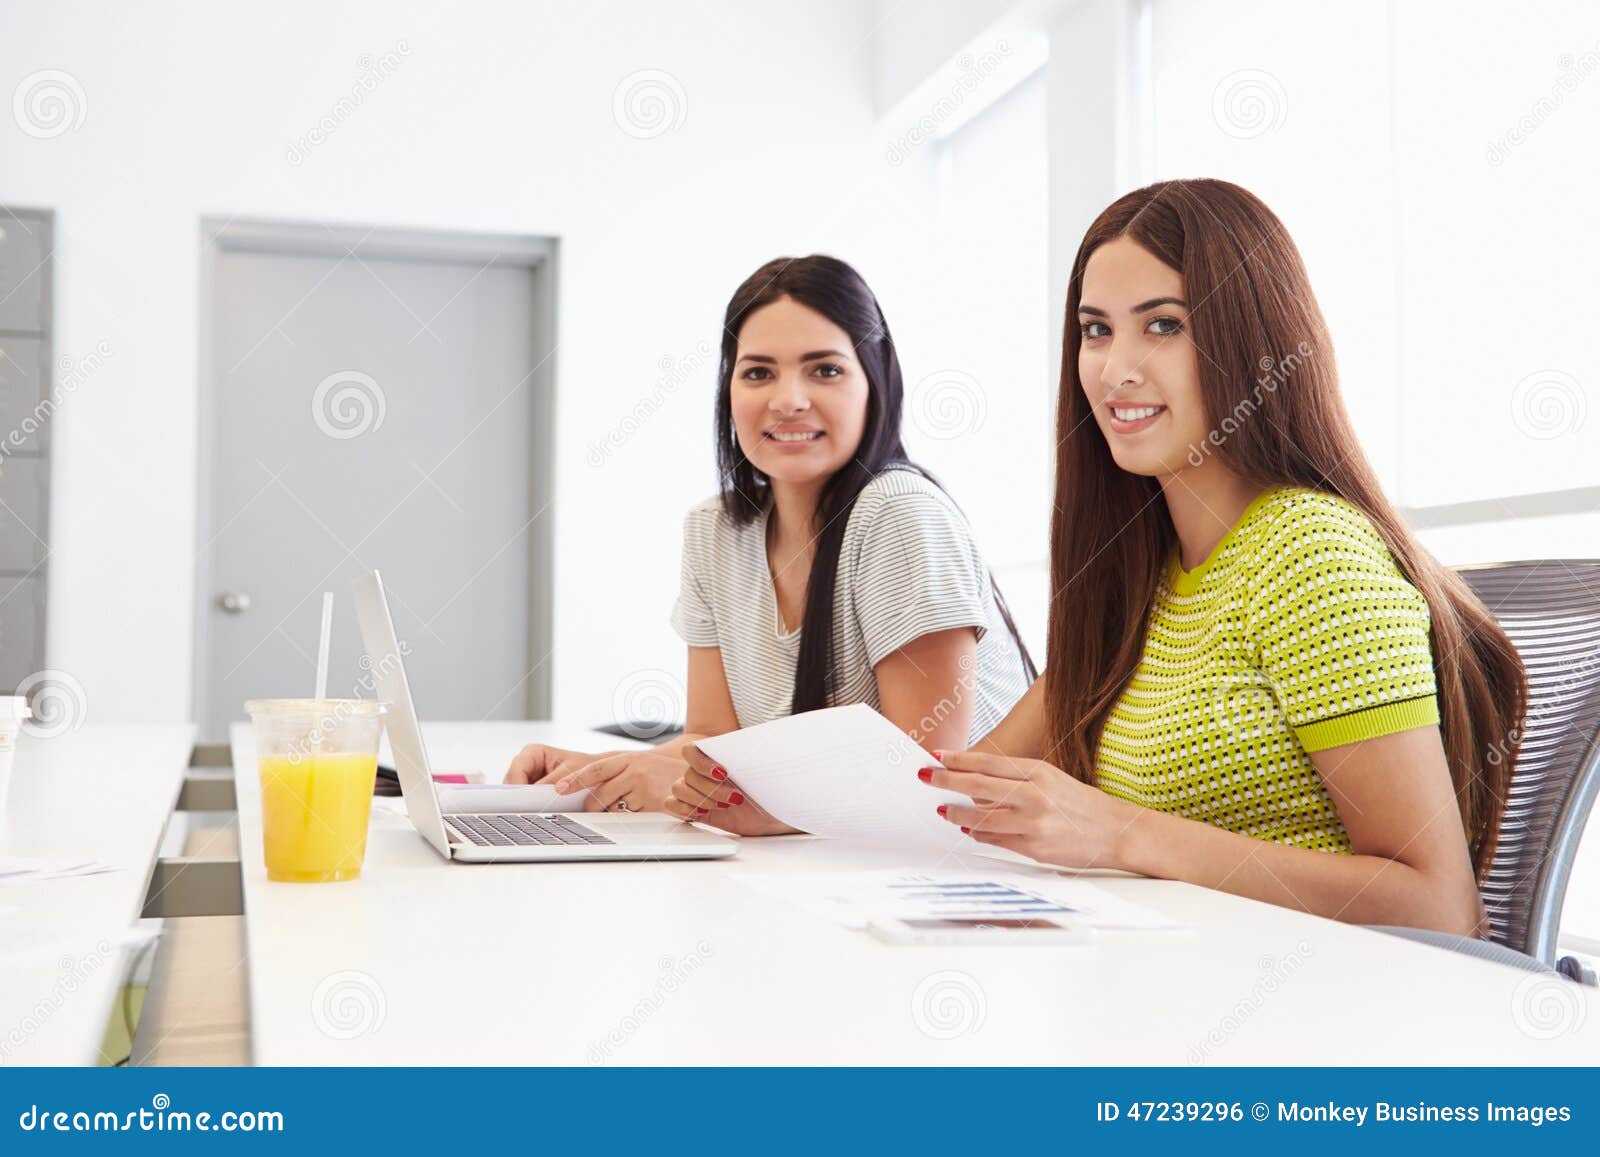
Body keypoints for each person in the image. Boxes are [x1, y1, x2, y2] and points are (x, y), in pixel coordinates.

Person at [682, 181, 1525, 935]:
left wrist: (1123, 834)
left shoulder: (1309, 555)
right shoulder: (1142, 577)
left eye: (1164, 324)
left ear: (1251, 338)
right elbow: (947, 790)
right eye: (1095, 330)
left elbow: (1436, 903)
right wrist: (787, 808)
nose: (1116, 369)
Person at [509, 255, 1034, 834]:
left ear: (874, 383)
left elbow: (922, 777)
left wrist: (711, 799)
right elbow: (713, 740)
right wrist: (599, 775)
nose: (788, 400)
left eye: (825, 370)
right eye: (758, 372)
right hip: (830, 867)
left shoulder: (900, 515)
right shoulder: (714, 530)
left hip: (961, 867)